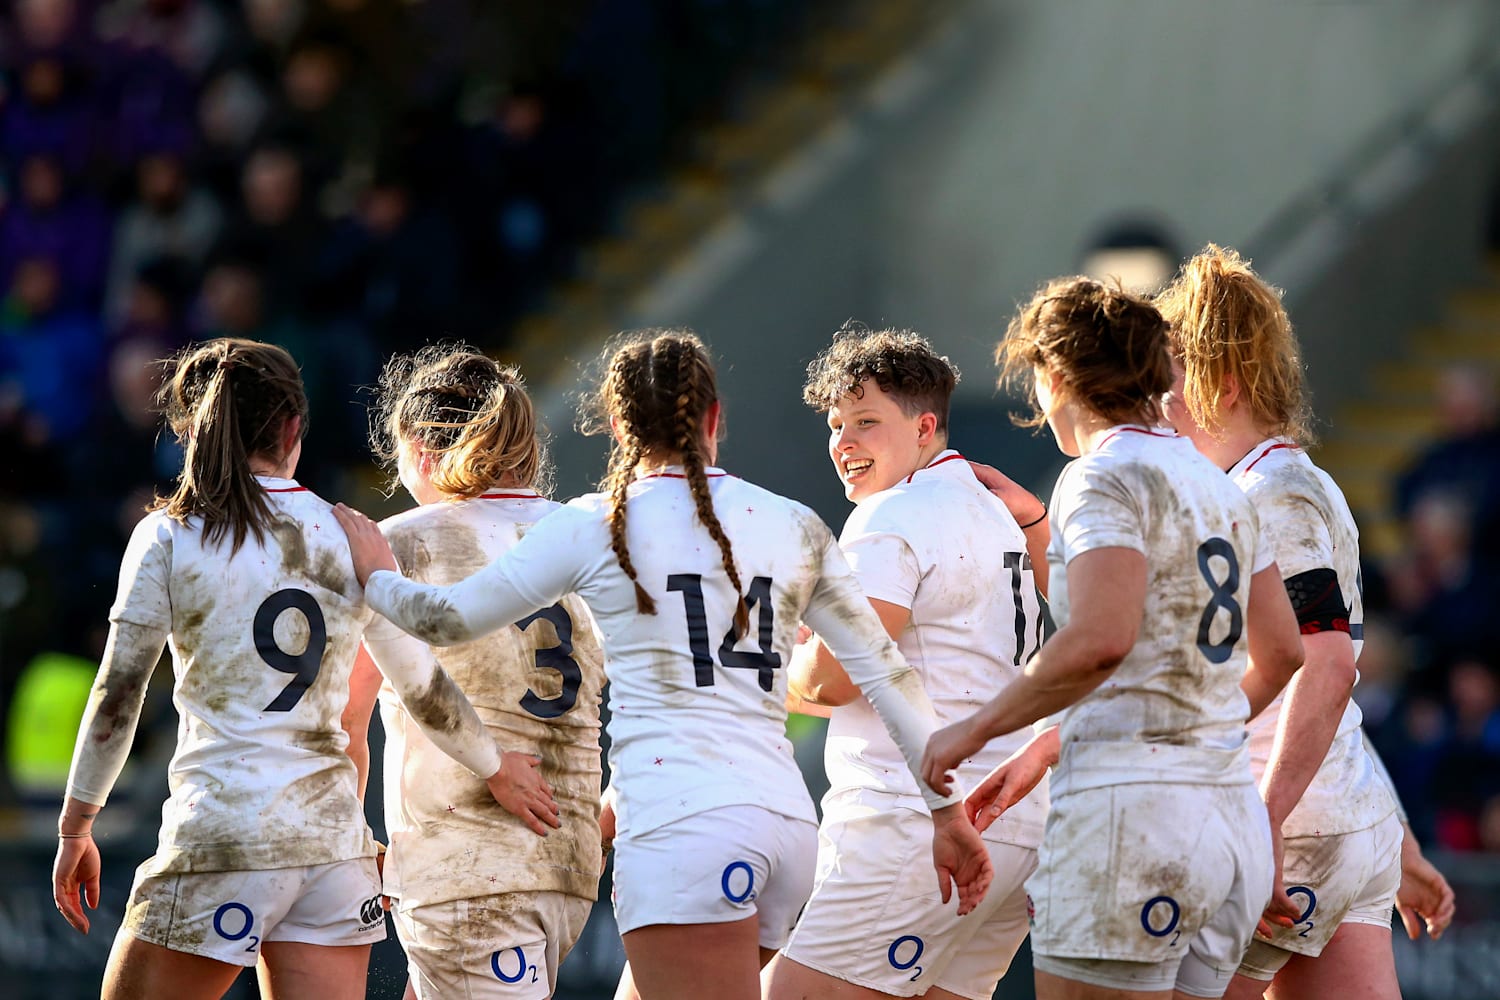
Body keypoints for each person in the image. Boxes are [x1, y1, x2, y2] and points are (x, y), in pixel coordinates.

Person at [331, 329, 995, 1000]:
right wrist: (946, 812)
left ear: (617, 427)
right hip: (788, 830)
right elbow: (887, 677)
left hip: (684, 832)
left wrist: (375, 577)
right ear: (714, 419)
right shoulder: (793, 522)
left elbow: (447, 620)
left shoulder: (598, 522)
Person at [51, 337, 536, 1000]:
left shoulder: (173, 533)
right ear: (292, 428)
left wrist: (77, 824)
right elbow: (419, 683)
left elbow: (118, 694)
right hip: (332, 847)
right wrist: (494, 764)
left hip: (225, 836)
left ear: (199, 428)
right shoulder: (352, 535)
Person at [922, 277, 1304, 1000]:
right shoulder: (1219, 482)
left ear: (1058, 376)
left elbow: (1102, 638)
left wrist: (974, 731)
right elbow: (1283, 651)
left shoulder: (1103, 473)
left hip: (1133, 815)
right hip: (1227, 820)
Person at [765, 328, 1049, 1000]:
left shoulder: (891, 513)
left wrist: (796, 661)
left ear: (926, 427)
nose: (845, 443)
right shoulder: (1000, 512)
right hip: (1015, 828)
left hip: (913, 829)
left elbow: (834, 678)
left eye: (867, 422)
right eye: (836, 425)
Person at [1155, 245, 1405, 999]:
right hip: (1342, 822)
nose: (1156, 401)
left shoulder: (1271, 493)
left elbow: (1327, 662)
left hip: (1282, 829)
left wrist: (1265, 817)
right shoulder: (1287, 480)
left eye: (1168, 378)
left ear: (1219, 384)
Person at [341, 344, 606, 999]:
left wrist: (348, 837)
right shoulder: (592, 536)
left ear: (422, 452)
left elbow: (347, 715)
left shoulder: (401, 543)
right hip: (569, 855)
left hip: (469, 863)